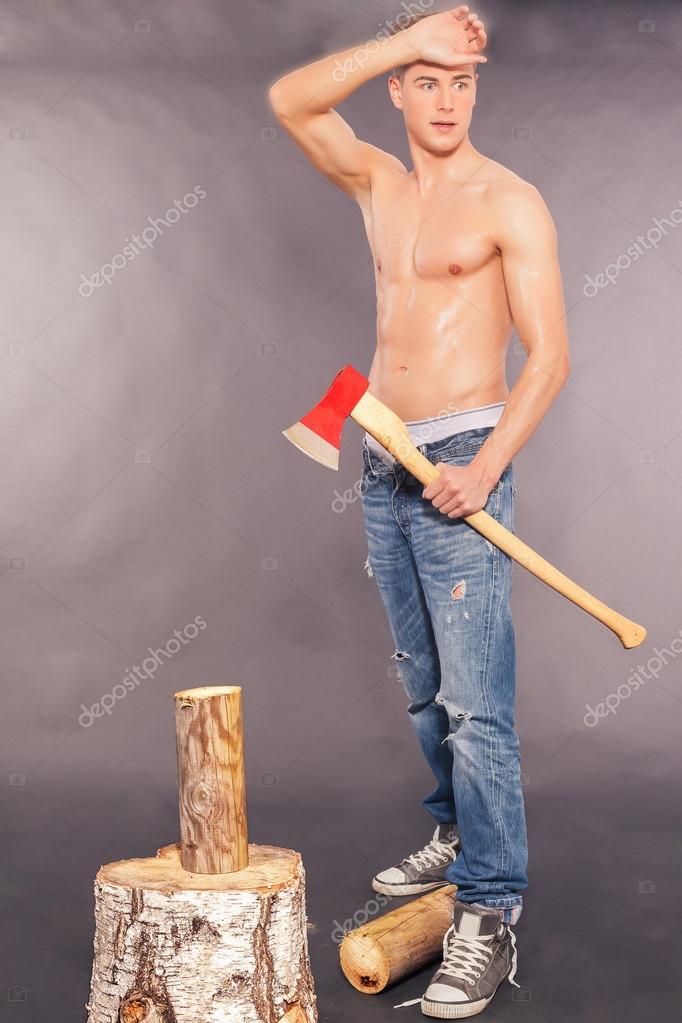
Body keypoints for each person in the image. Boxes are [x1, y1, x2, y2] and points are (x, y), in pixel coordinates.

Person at [269, 6, 570, 1017]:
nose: (446, 100)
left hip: (459, 460)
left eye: (461, 81)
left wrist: (483, 469)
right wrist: (408, 38)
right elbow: (288, 99)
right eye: (426, 80)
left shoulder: (509, 200)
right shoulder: (379, 183)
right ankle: (453, 830)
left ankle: (489, 908)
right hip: (382, 457)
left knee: (478, 712)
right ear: (397, 87)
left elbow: (552, 357)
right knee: (421, 685)